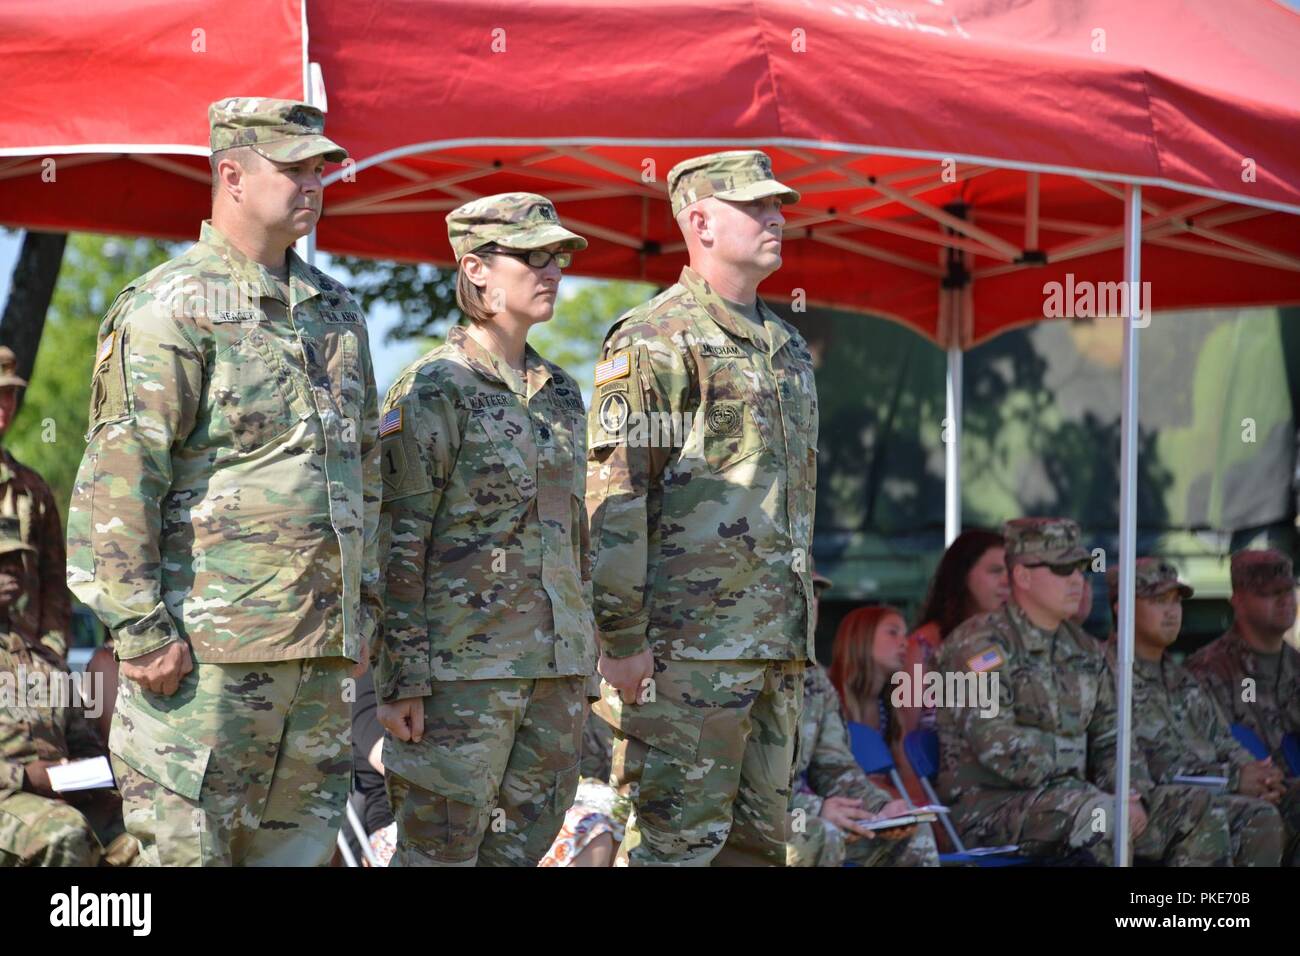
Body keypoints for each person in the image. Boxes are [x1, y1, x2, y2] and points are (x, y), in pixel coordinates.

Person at [66, 98, 379, 866]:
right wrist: (139, 629)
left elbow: (366, 475)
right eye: (293, 168)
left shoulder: (336, 312)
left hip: (316, 663)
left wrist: (364, 611)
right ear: (231, 175)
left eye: (321, 170)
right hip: (204, 663)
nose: (313, 184)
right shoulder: (171, 306)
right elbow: (120, 475)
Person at [585, 150, 816, 866]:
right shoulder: (655, 338)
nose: (776, 217)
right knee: (675, 850)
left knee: (757, 851)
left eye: (777, 204)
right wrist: (622, 639)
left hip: (773, 648)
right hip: (687, 654)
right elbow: (618, 495)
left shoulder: (788, 346)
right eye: (755, 206)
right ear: (700, 222)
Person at [375, 193, 596, 867]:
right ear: (475, 270)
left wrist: (584, 664)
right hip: (460, 677)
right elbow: (398, 539)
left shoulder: (561, 392)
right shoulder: (433, 388)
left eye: (557, 256)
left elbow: (576, 537)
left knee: (517, 857)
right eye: (532, 256)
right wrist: (402, 676)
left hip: (552, 674)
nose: (552, 269)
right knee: (439, 858)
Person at [936, 517, 1230, 864]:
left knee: (1202, 811)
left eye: (1081, 568)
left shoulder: (1085, 649)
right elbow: (1000, 747)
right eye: (1064, 569)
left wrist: (1131, 792)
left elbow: (1114, 738)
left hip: (1079, 801)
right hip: (992, 810)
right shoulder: (976, 647)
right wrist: (1095, 790)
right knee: (1102, 818)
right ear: (1023, 576)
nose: (1078, 580)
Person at [1104, 558, 1283, 866]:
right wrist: (1233, 779)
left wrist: (1261, 776)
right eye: (1159, 601)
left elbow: (1222, 740)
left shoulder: (1182, 678)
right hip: (1148, 804)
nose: (1172, 612)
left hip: (1209, 793)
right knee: (1251, 816)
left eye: (1176, 601)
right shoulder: (1105, 676)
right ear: (1123, 608)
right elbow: (1144, 769)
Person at [788, 568, 938, 867]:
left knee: (910, 829)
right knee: (820, 834)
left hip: (806, 813)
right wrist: (816, 808)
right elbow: (733, 788)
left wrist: (881, 808)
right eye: (797, 589)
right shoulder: (735, 679)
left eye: (815, 594)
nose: (811, 602)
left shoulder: (815, 682)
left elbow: (836, 769)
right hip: (753, 819)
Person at [1188, 549, 1300, 865]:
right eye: (1269, 593)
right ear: (1238, 600)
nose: (1285, 600)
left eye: (1287, 590)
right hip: (1243, 802)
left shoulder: (1296, 665)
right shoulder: (1208, 670)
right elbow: (1202, 753)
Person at [899, 529, 1007, 738]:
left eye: (1010, 572)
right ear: (962, 575)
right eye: (995, 571)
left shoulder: (1009, 641)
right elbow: (903, 735)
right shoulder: (922, 647)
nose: (1006, 581)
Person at [0, 346, 71, 663]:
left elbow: (55, 578)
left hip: (26, 666)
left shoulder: (32, 489)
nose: (4, 404)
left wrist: (53, 647)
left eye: (10, 394)